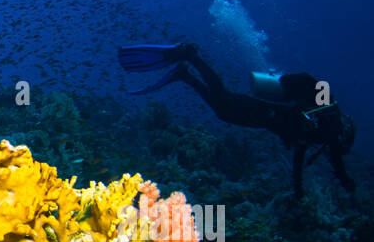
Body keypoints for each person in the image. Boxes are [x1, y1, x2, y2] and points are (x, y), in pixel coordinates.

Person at [118, 43, 356, 198]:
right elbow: (335, 159)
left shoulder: (318, 130)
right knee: (224, 101)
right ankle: (191, 60)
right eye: (341, 147)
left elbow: (299, 156)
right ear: (344, 137)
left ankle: (186, 74)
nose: (334, 150)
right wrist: (346, 183)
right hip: (266, 113)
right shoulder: (331, 129)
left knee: (223, 107)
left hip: (266, 114)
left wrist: (298, 189)